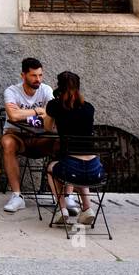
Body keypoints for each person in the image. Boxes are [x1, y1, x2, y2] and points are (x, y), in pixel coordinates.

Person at [0, 57, 60, 213]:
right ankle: (17, 196)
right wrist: (37, 111)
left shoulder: (46, 90)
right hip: (18, 138)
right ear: (23, 75)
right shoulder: (12, 91)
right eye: (33, 75)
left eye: (40, 75)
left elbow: (52, 114)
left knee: (62, 141)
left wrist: (24, 114)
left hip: (41, 139)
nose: (38, 79)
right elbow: (13, 116)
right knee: (7, 143)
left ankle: (66, 197)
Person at [44, 71, 102, 228]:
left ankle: (62, 209)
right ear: (78, 87)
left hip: (71, 166)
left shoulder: (54, 105)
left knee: (51, 168)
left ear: (59, 86)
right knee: (80, 166)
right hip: (95, 169)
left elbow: (48, 128)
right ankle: (87, 208)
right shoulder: (89, 107)